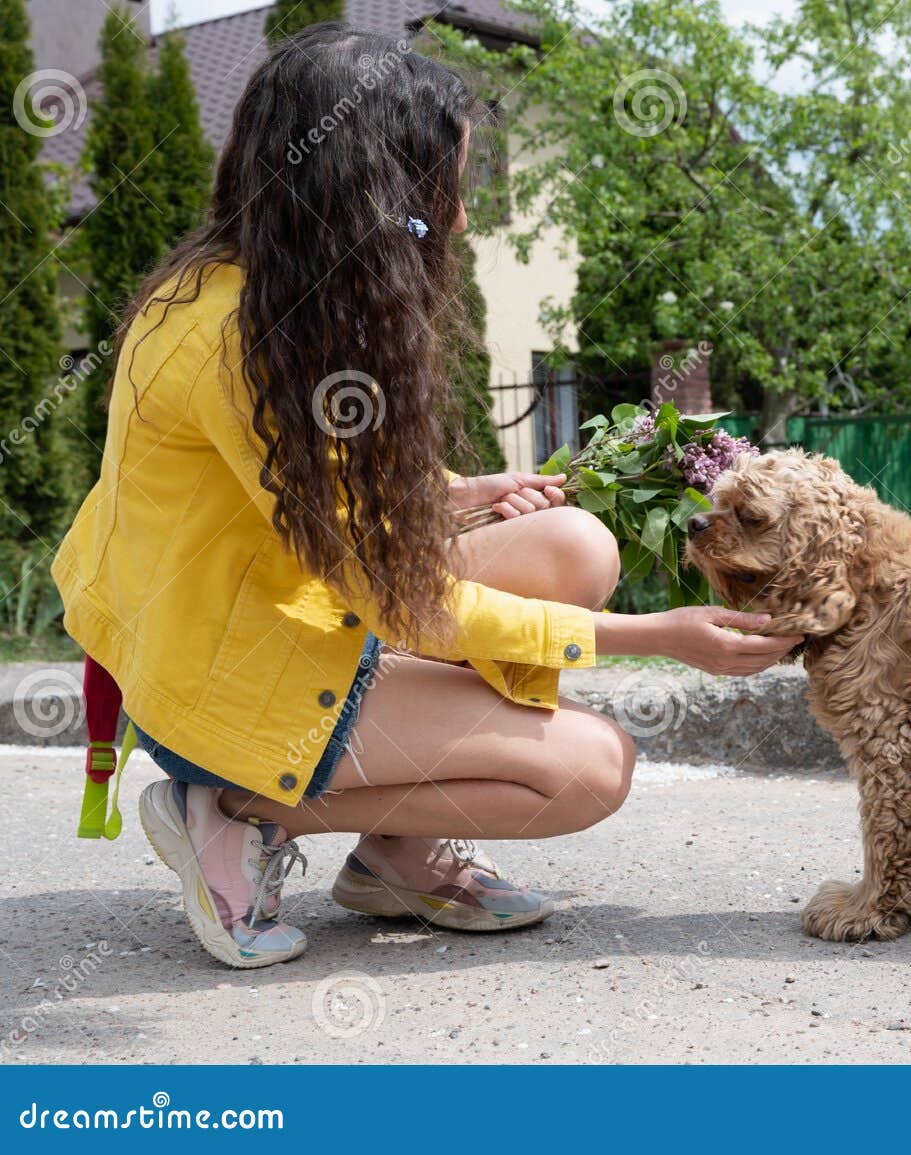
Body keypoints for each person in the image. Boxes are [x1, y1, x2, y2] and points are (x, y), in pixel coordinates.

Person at [51, 24, 796, 969]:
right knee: (590, 769)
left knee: (574, 547)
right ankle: (237, 806)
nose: (455, 223)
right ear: (364, 193)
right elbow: (397, 598)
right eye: (439, 193)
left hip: (275, 611)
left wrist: (459, 491)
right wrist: (660, 639)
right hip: (220, 679)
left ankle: (393, 851)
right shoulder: (232, 341)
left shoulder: (272, 294)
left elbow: (311, 483)